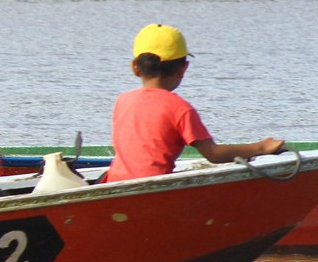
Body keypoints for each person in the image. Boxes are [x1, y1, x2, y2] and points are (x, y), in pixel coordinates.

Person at [104, 24, 285, 183]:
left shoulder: (123, 100)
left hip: (113, 182)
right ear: (183, 69)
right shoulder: (179, 108)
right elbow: (213, 154)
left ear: (135, 67)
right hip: (151, 187)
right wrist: (261, 148)